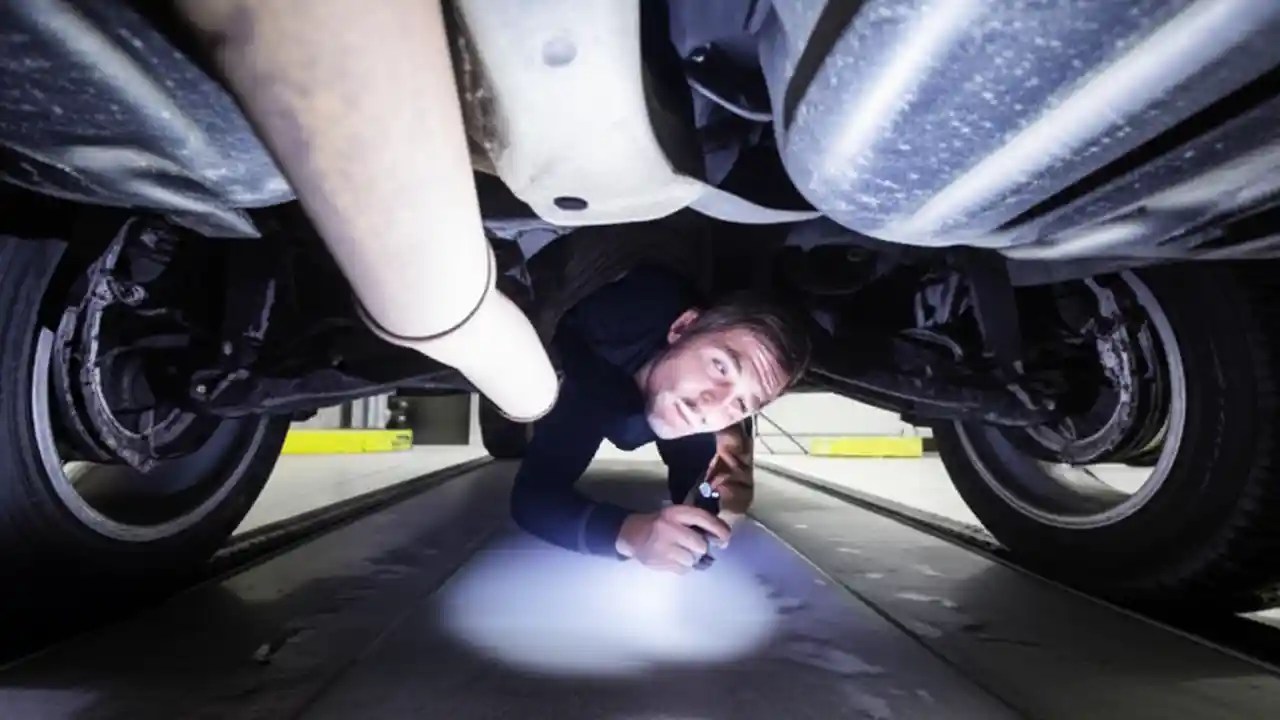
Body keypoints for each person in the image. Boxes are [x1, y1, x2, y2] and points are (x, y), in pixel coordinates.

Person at [508, 263, 811, 574]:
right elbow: (533, 496)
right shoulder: (598, 360)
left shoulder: (696, 409)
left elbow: (696, 477)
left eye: (741, 403)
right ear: (681, 327)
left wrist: (701, 515)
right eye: (720, 367)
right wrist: (630, 534)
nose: (712, 405)